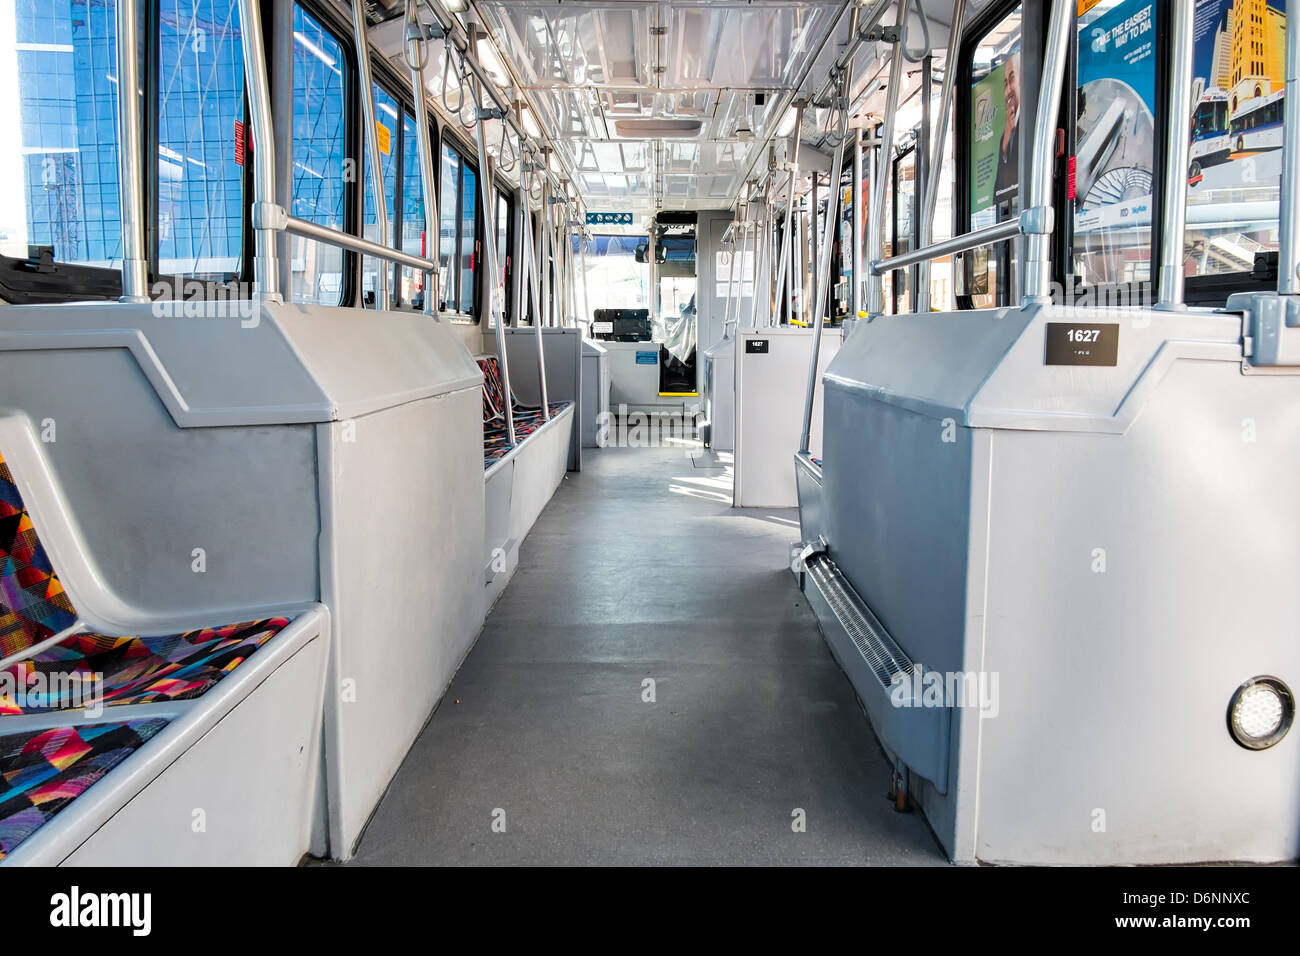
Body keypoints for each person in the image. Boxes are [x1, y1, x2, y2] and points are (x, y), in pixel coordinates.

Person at [994, 51, 1020, 203]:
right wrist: (1005, 145)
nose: (1008, 91)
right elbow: (997, 197)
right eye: (1005, 84)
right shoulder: (1005, 137)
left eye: (1012, 79)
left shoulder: (1031, 125)